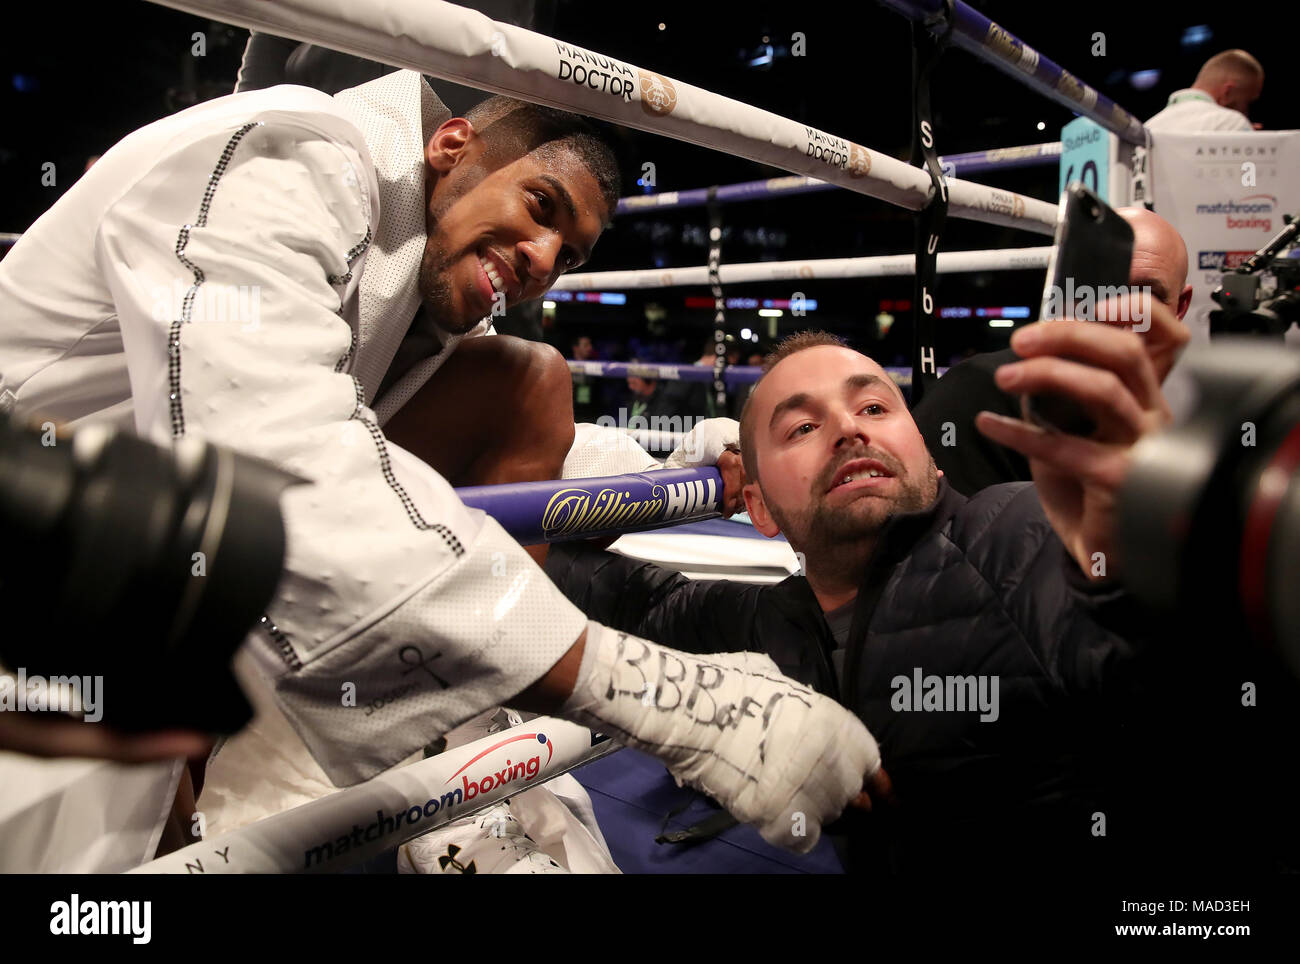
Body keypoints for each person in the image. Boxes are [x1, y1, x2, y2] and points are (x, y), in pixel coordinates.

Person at [0, 69, 881, 868]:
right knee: (90, 863)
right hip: (47, 541)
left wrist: (684, 460)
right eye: (541, 206)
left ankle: (448, 734)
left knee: (525, 378)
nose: (543, 259)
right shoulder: (289, 157)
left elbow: (496, 449)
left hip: (148, 544)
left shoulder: (421, 285)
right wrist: (673, 701)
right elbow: (275, 454)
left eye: (569, 255)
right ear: (452, 143)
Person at [546, 316, 1300, 874]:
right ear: (764, 509)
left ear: (932, 464)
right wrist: (670, 475)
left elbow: (1166, 667)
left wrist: (1149, 564)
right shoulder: (766, 623)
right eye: (803, 425)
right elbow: (590, 583)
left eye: (875, 408)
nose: (848, 428)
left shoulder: (1014, 532)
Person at [912, 207, 1193, 495]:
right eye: (1100, 291)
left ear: (1179, 307)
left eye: (1145, 298)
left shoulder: (1202, 411)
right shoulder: (978, 393)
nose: (1117, 314)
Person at [1145, 49, 1265, 132]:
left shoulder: (1148, 128)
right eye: (1248, 102)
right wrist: (1251, 142)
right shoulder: (1232, 122)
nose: (1246, 112)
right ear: (1227, 92)